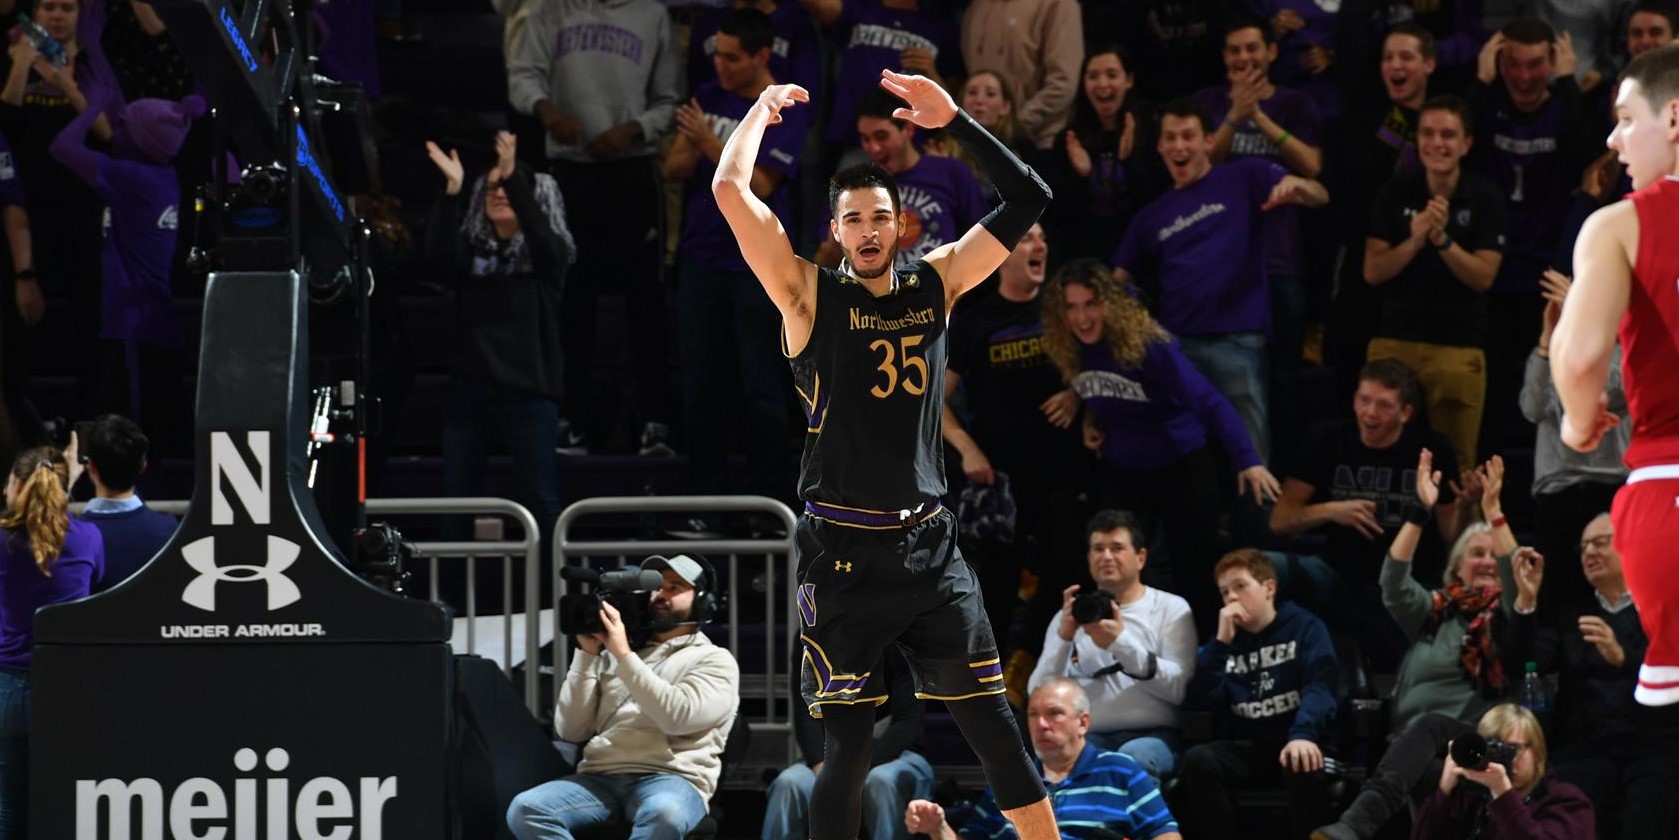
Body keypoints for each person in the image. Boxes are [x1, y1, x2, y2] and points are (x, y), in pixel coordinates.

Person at [710, 68, 1058, 838]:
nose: (867, 231)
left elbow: (1029, 198)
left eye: (879, 217)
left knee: (991, 723)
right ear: (835, 231)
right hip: (842, 554)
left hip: (927, 543)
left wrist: (953, 119)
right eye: (852, 220)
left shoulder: (938, 282)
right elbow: (730, 192)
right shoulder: (806, 295)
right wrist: (758, 112)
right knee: (847, 750)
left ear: (900, 226)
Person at [1043, 259, 1279, 631]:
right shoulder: (1068, 346)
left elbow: (1208, 400)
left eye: (1091, 304)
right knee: (1111, 561)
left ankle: (1208, 650)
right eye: (1071, 307)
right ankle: (1115, 646)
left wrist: (1246, 458)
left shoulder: (1149, 345)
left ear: (1110, 305)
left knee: (1194, 568)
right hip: (1123, 467)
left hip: (1181, 463)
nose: (1081, 317)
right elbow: (1102, 387)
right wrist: (1090, 416)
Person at [1551, 41, 1679, 706]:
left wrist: (1577, 423)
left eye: (1627, 119)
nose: (1613, 138)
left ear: (1674, 118)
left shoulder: (1620, 225)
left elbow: (1578, 358)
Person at [1311, 452, 1528, 840]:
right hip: (1414, 749)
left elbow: (1516, 586)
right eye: (1476, 554)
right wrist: (1417, 514)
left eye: (1493, 555)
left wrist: (1494, 514)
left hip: (1481, 745)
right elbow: (1393, 584)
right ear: (1456, 567)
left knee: (1429, 728)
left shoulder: (1510, 617)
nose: (1486, 562)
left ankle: (1356, 825)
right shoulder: (1437, 612)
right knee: (1424, 767)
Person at [1110, 97, 1330, 468]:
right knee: (1184, 456)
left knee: (1251, 458)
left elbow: (1320, 194)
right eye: (1170, 138)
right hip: (1176, 347)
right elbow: (1116, 282)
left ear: (1208, 141)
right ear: (1160, 146)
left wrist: (1296, 188)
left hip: (1237, 341)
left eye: (1188, 136)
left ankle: (1256, 508)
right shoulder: (1151, 216)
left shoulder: (1243, 176)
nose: (1179, 146)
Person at [507, 0, 678, 456]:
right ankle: (571, 420)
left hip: (632, 171)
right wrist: (547, 111)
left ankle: (654, 422)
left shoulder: (652, 15)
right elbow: (522, 78)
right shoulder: (548, 11)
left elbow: (669, 101)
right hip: (570, 172)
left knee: (645, 306)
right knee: (571, 304)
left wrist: (634, 129)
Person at [665, 7, 804, 532]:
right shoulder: (708, 94)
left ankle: (770, 511)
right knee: (702, 388)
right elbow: (673, 167)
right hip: (701, 258)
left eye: (732, 57)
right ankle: (704, 511)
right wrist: (697, 144)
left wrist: (706, 141)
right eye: (717, 55)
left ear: (762, 55)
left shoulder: (784, 106)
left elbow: (761, 185)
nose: (719, 65)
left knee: (762, 389)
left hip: (757, 267)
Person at [943, 223, 1088, 690]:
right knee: (997, 583)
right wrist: (968, 449)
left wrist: (1078, 393)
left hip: (1061, 469)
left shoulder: (1063, 311)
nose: (1039, 245)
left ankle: (1026, 663)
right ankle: (986, 683)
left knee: (1067, 565)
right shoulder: (975, 319)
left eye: (1043, 237)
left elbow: (1101, 359)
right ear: (1002, 254)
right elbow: (933, 401)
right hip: (1000, 479)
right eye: (1027, 238)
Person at [505, 555, 740, 839]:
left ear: (704, 601)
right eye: (656, 587)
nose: (660, 595)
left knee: (665, 813)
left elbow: (677, 718)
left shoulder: (713, 659)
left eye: (674, 588)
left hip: (672, 778)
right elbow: (571, 730)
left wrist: (623, 655)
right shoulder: (615, 654)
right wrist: (587, 655)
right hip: (600, 777)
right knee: (526, 808)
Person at [1269, 358, 1471, 671]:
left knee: (1406, 638)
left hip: (1409, 584)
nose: (1370, 413)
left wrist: (1467, 505)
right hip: (1340, 576)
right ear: (1353, 400)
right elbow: (1279, 520)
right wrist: (1331, 510)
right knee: (1260, 568)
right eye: (1364, 400)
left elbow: (1450, 535)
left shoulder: (1432, 449)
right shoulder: (1326, 439)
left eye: (1384, 405)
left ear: (1406, 413)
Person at [425, 130, 569, 564]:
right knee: (457, 506)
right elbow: (436, 261)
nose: (500, 193)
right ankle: (449, 600)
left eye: (508, 187)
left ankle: (553, 599)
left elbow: (546, 242)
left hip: (529, 394)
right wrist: (452, 191)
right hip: (469, 392)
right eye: (491, 188)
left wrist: (512, 177)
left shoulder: (545, 262)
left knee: (541, 501)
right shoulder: (471, 257)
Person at [1509, 512, 1679, 840]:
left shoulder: (1663, 608)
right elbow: (1526, 665)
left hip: (1651, 746)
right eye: (1584, 546)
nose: (1589, 552)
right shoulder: (1571, 614)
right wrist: (1527, 601)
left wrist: (1624, 658)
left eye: (1600, 543)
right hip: (1584, 747)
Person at [1363, 94, 1507, 471]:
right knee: (1382, 455)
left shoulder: (1486, 198)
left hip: (1457, 346)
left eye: (1447, 134)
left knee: (1457, 465)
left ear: (1466, 143)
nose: (1437, 143)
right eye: (1427, 133)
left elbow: (1483, 277)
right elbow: (1373, 270)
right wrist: (1414, 240)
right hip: (1395, 339)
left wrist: (1442, 240)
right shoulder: (1395, 191)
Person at [1173, 549, 1340, 840]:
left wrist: (1303, 734)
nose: (1231, 598)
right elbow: (1201, 701)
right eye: (1225, 592)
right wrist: (1221, 643)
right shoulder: (1224, 643)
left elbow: (1320, 687)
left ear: (1269, 588)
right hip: (1252, 747)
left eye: (1240, 586)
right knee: (1199, 760)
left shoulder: (1305, 627)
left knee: (1302, 764)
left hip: (1302, 739)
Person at [903, 679, 1182, 840]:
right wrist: (939, 828)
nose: (1041, 724)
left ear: (1083, 722)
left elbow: (1166, 835)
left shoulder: (1122, 771)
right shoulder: (1011, 780)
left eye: (1054, 713)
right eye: (1034, 715)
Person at [1027, 509, 1195, 777]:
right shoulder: (1070, 616)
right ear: (1089, 558)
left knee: (1128, 761)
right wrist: (1064, 638)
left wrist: (1120, 643)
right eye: (1098, 549)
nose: (1106, 556)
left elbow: (1180, 690)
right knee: (1059, 758)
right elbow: (1037, 693)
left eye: (1117, 548)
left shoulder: (1171, 608)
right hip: (1088, 735)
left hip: (1154, 737)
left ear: (1141, 557)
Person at [0, 447, 103, 836]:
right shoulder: (88, 537)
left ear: (17, 485)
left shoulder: (3, 541)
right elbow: (95, 583)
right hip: (64, 687)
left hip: (7, 687)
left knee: (7, 811)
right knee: (64, 806)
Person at [1521, 271, 1628, 618]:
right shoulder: (1549, 353)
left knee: (1615, 597)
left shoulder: (1622, 350)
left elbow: (1607, 392)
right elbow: (1533, 407)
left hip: (1610, 487)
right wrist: (1546, 341)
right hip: (1557, 490)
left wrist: (1582, 328)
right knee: (1555, 601)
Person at [764, 646, 930, 840]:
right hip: (828, 756)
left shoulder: (901, 634)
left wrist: (851, 773)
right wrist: (824, 766)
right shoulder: (814, 633)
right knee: (788, 784)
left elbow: (907, 722)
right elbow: (805, 714)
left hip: (893, 754)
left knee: (881, 782)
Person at [1038, 44, 1166, 268]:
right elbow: (1059, 215)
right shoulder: (1069, 139)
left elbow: (1158, 202)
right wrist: (1082, 176)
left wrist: (1130, 161)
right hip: (1086, 257)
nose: (1102, 84)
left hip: (1142, 256)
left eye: (1112, 75)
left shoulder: (1150, 131)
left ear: (1129, 80)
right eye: (1093, 76)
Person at [1409, 703, 1595, 839]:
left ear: (1537, 752)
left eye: (1513, 750)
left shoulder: (1567, 801)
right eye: (1493, 750)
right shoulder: (1474, 798)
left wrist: (1504, 796)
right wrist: (1445, 792)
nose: (1502, 760)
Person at [64, 415, 174, 592]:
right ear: (143, 466)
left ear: (90, 467)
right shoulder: (167, 529)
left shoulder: (73, 535)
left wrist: (67, 483)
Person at [960, 0, 1083, 148]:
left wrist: (1015, 124)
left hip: (1040, 142)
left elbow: (1063, 83)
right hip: (976, 142)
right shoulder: (977, 7)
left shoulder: (1058, 4)